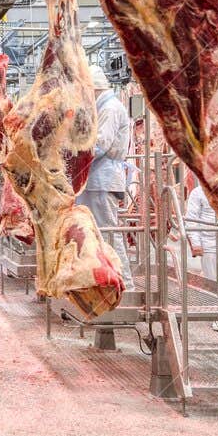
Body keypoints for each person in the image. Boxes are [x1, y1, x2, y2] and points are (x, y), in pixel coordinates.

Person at [78, 65, 133, 284]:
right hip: (94, 179)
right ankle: (102, 282)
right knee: (92, 233)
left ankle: (125, 282)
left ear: (94, 89)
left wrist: (73, 158)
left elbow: (100, 145)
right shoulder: (102, 108)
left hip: (103, 179)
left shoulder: (110, 108)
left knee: (107, 232)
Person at [182, 176, 218, 330]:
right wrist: (196, 243)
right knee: (213, 281)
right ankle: (217, 316)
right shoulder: (198, 193)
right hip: (210, 244)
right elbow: (191, 219)